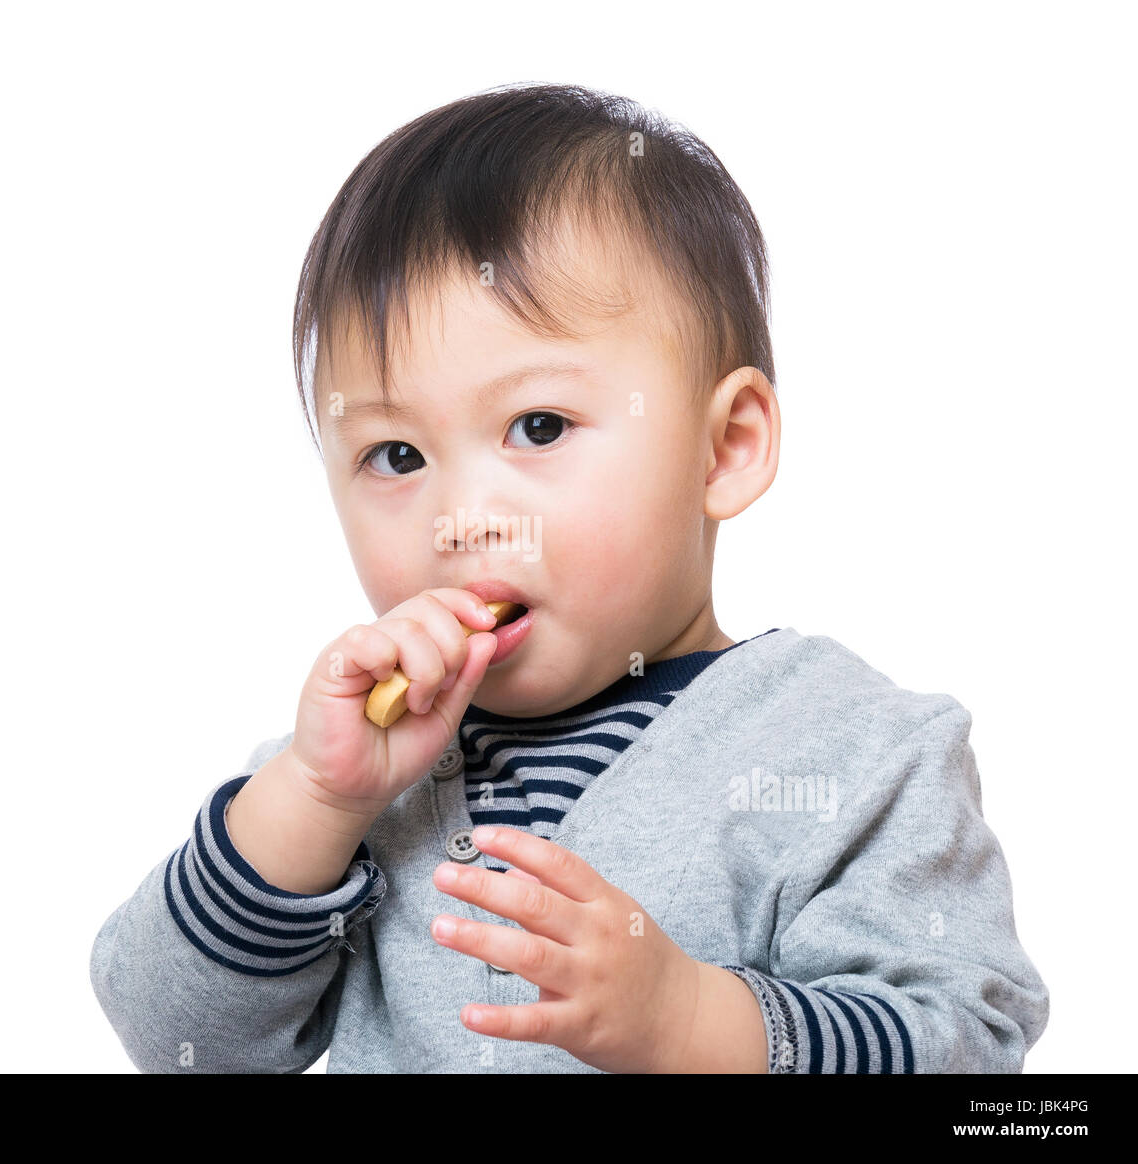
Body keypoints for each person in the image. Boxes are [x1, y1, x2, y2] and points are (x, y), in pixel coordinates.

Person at [89, 82, 1048, 1073]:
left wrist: (692, 1025)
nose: (460, 519)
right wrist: (313, 802)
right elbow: (177, 1040)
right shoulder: (353, 774)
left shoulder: (855, 753)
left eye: (537, 427)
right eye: (395, 456)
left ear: (724, 448)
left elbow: (965, 1054)